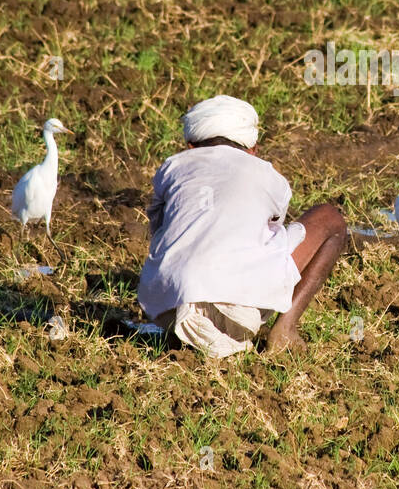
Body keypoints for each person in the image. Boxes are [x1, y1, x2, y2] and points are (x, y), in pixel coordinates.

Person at [137, 95, 346, 356]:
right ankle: (285, 330)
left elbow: (158, 230)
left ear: (191, 146)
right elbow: (272, 230)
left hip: (165, 308)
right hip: (240, 311)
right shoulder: (268, 174)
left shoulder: (172, 167)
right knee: (330, 218)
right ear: (252, 150)